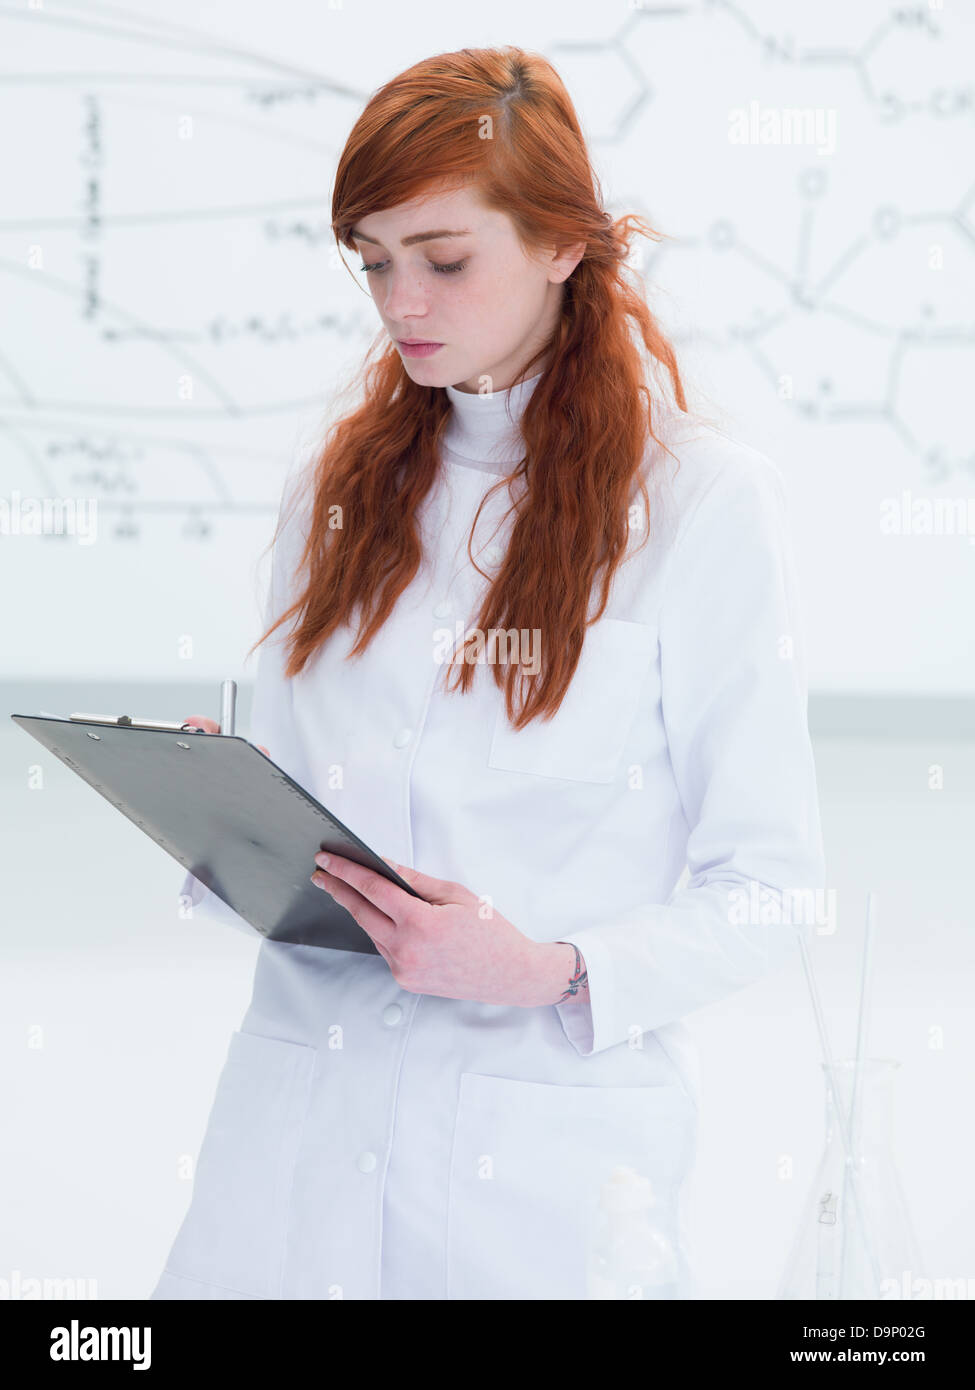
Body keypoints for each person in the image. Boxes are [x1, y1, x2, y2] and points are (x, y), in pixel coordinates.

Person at [149, 45, 825, 1301]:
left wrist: (553, 970)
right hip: (289, 1146)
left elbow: (776, 890)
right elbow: (326, 823)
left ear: (564, 242)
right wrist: (232, 822)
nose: (401, 299)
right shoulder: (336, 492)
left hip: (541, 1182)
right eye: (371, 261)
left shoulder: (703, 506)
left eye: (444, 259)